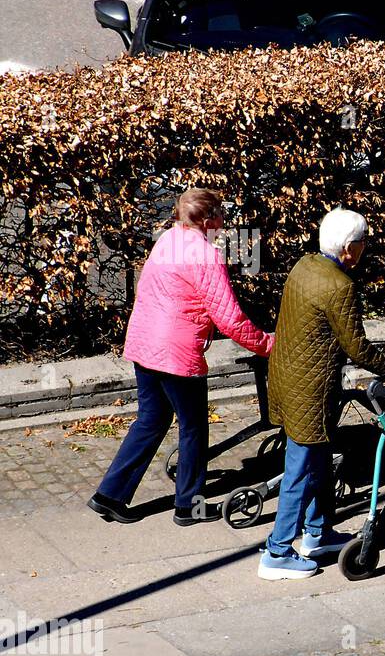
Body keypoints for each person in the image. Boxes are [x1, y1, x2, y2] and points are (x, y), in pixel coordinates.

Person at [90, 188, 274, 526]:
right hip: (176, 354)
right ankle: (189, 505)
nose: (224, 223)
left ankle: (109, 495)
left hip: (144, 346)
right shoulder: (206, 255)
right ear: (207, 221)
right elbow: (229, 318)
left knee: (150, 420)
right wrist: (267, 344)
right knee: (192, 427)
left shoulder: (167, 241)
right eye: (220, 216)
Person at [260, 208, 385, 580]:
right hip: (310, 392)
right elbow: (357, 348)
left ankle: (317, 533)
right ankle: (277, 553)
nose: (364, 249)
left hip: (286, 378)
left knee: (319, 461)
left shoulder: (304, 266)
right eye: (362, 243)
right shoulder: (340, 286)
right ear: (348, 249)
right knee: (300, 468)